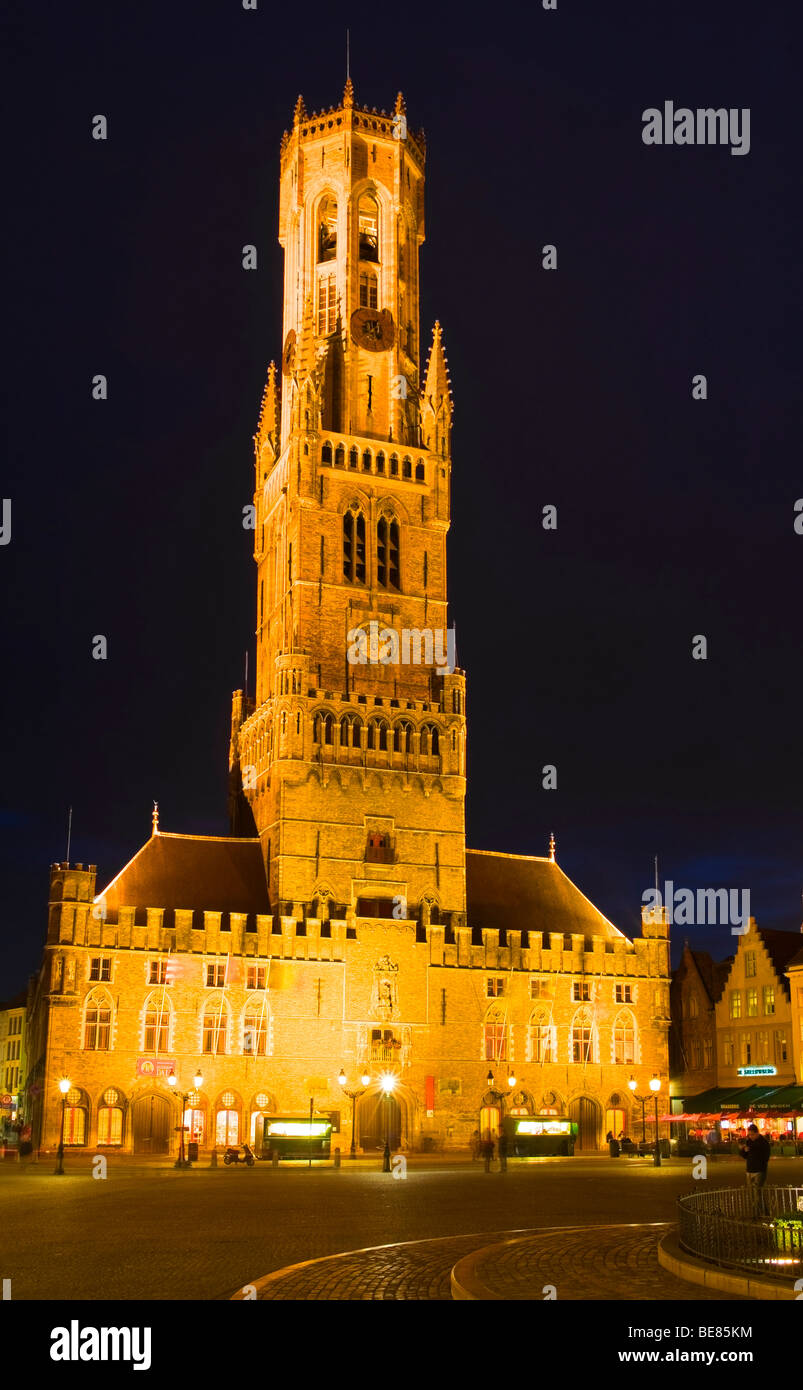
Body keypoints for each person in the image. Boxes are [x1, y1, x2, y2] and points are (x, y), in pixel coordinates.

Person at [739, 1123, 771, 1215]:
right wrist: (743, 1151)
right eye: (749, 1135)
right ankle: (756, 1212)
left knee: (758, 1193)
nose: (750, 1136)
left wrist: (752, 1150)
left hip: (759, 1170)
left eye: (752, 1134)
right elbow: (745, 1156)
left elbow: (765, 1157)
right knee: (751, 1194)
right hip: (749, 1170)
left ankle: (762, 1213)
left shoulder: (763, 1142)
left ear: (757, 1133)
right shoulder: (749, 1142)